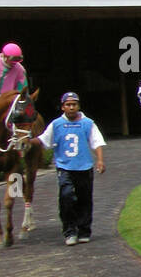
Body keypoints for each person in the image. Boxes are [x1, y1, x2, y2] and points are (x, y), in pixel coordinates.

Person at [36, 92, 105, 245]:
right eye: (68, 104)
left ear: (78, 106)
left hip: (84, 167)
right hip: (64, 167)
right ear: (63, 107)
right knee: (66, 196)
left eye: (74, 104)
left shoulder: (88, 123)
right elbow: (43, 140)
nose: (71, 107)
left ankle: (84, 230)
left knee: (84, 199)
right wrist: (28, 142)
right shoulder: (56, 124)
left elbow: (97, 141)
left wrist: (100, 160)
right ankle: (69, 231)